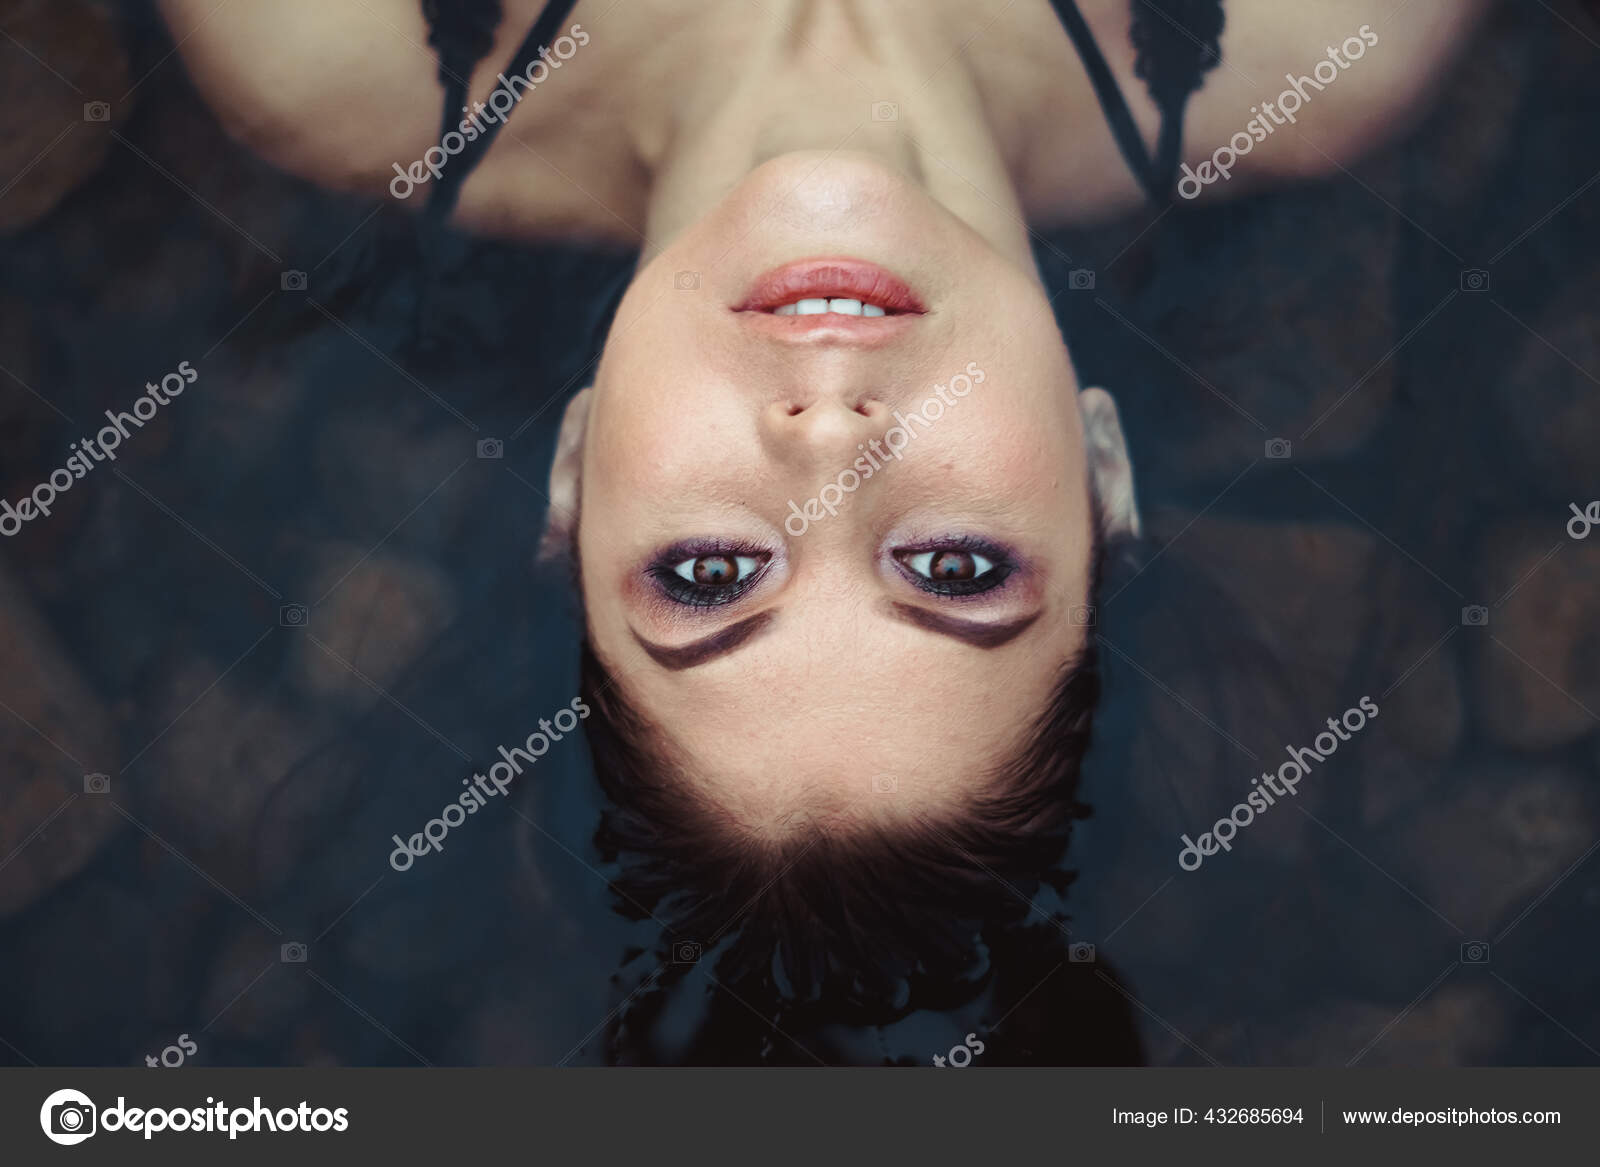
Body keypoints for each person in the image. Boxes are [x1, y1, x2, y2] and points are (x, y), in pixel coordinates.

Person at [159, 0, 1492, 1035]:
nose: (830, 447)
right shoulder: (1322, 40)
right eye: (955, 565)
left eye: (710, 572)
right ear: (1104, 474)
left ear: (571, 471)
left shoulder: (323, 47)